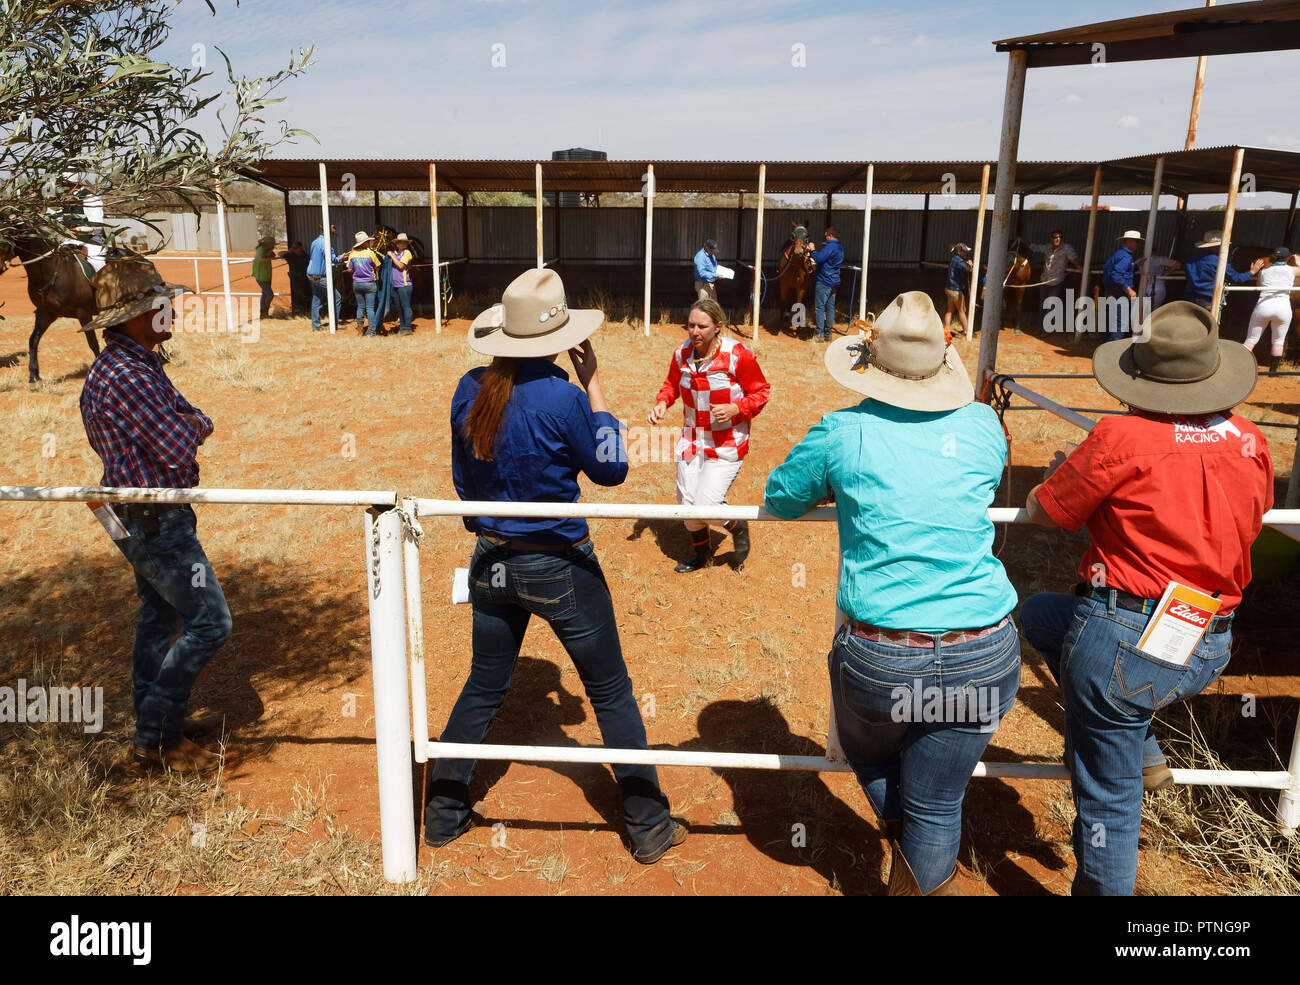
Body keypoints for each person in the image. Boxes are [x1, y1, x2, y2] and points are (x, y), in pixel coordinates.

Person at [425, 267, 686, 865]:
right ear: (559, 338)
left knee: (484, 683)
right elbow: (612, 469)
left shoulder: (471, 388)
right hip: (560, 562)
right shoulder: (565, 397)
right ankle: (648, 825)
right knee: (613, 693)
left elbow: (465, 483)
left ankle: (440, 815)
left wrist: (490, 531)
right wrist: (594, 387)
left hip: (491, 558)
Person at [764, 291, 1020, 895]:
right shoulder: (983, 425)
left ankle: (909, 837)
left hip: (883, 654)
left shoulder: (842, 431)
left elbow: (780, 496)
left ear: (870, 363)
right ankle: (923, 850)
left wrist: (841, 487)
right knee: (939, 804)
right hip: (984, 644)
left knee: (868, 750)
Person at [1020, 300, 1272, 896]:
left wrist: (1063, 474)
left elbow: (1043, 511)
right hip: (1209, 636)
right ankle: (1144, 744)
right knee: (1042, 615)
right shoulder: (1250, 440)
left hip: (1124, 635)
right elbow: (1252, 520)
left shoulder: (1122, 435)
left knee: (1108, 804)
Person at [78, 259, 233, 772]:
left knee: (159, 617)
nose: (172, 309)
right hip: (153, 515)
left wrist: (194, 422)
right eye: (162, 303)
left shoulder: (136, 364)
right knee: (211, 622)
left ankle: (161, 726)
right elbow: (178, 443)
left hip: (143, 513)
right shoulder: (130, 374)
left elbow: (195, 418)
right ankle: (153, 739)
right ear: (138, 314)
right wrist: (194, 425)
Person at [648, 298, 769, 573]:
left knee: (706, 505)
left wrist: (737, 408)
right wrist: (662, 403)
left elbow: (761, 392)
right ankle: (701, 555)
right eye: (690, 325)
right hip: (692, 440)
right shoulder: (682, 354)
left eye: (702, 326)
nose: (695, 332)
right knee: (687, 506)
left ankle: (737, 526)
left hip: (727, 443)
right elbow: (670, 384)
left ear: (718, 327)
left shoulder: (737, 355)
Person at [1243, 247, 1294, 374]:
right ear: (1287, 258)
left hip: (1264, 305)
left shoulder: (1264, 271)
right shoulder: (1293, 270)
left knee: (1251, 339)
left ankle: (1240, 365)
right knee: (1278, 340)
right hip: (1283, 308)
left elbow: (1259, 287)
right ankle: (1273, 371)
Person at [1182, 230, 1261, 312]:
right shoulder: (1220, 261)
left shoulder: (1190, 261)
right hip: (1209, 301)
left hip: (1190, 299)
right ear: (1219, 245)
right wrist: (1252, 272)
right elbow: (1236, 278)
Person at [1029, 230, 1079, 328]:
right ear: (1051, 239)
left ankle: (1048, 328)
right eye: (1056, 237)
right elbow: (1035, 247)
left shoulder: (1066, 248)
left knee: (1051, 305)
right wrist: (1021, 241)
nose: (1058, 239)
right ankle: (1041, 327)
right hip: (1044, 280)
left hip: (1056, 281)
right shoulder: (1047, 247)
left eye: (1060, 237)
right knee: (1043, 304)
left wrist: (1079, 267)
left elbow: (1074, 258)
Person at [1101, 230, 1142, 342]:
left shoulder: (1118, 254)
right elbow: (1117, 275)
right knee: (1120, 323)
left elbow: (1114, 272)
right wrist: (1129, 290)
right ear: (1128, 241)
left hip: (1111, 291)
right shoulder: (1126, 257)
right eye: (1136, 241)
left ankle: (1103, 349)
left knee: (1110, 322)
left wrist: (1135, 267)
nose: (1137, 244)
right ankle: (1113, 352)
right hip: (1118, 293)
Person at [808, 226, 844, 342]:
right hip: (834, 281)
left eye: (826, 236)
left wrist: (812, 250)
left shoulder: (830, 246)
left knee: (820, 308)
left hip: (824, 281)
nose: (826, 239)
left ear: (830, 235)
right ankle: (828, 334)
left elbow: (819, 258)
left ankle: (819, 335)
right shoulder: (840, 247)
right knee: (830, 308)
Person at [307, 224, 342, 331]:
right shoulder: (327, 244)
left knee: (316, 299)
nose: (333, 237)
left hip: (311, 274)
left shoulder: (315, 242)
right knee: (337, 298)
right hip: (321, 277)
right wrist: (341, 258)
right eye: (333, 234)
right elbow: (333, 259)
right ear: (330, 234)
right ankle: (334, 324)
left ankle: (316, 325)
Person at [346, 231, 382, 335]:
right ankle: (371, 332)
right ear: (364, 243)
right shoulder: (370, 253)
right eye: (367, 241)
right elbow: (377, 267)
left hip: (357, 283)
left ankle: (360, 330)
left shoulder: (352, 253)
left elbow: (349, 269)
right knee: (370, 308)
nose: (369, 243)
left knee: (360, 307)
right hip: (369, 283)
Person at [387, 232, 416, 335]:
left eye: (405, 243)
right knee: (399, 307)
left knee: (406, 306)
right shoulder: (395, 253)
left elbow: (401, 266)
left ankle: (407, 328)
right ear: (397, 243)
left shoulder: (407, 253)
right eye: (401, 242)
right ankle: (403, 327)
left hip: (404, 285)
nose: (403, 244)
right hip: (395, 285)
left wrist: (391, 256)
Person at [943, 243, 972, 337]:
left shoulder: (954, 259)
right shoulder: (958, 260)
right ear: (959, 251)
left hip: (949, 288)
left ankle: (946, 329)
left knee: (950, 310)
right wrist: (970, 264)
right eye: (964, 251)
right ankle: (967, 332)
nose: (966, 253)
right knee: (962, 310)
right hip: (955, 289)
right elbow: (968, 269)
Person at [280, 241, 311, 315]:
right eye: (293, 248)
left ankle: (306, 310)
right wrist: (290, 250)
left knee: (306, 294)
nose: (294, 249)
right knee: (297, 295)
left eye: (295, 248)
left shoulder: (306, 256)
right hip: (295, 279)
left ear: (300, 248)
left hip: (305, 278)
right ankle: (298, 311)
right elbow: (280, 254)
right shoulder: (290, 255)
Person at [252, 235, 275, 318]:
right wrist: (269, 254)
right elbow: (262, 256)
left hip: (266, 274)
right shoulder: (261, 249)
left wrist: (270, 252)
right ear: (268, 244)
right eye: (272, 244)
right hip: (261, 275)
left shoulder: (265, 249)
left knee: (265, 294)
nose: (273, 246)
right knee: (270, 294)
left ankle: (264, 313)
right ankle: (264, 312)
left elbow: (273, 255)